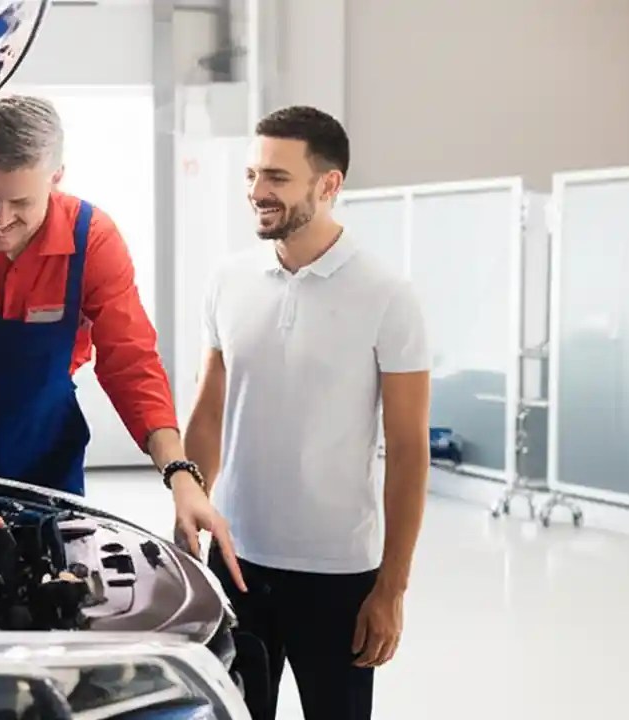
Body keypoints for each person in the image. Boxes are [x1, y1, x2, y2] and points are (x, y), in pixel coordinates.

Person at [0, 94, 245, 590]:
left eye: (20, 203)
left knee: (54, 599)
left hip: (50, 458)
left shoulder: (93, 238)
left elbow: (131, 362)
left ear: (57, 177)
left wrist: (181, 475)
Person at [184, 105, 431, 720]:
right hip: (235, 558)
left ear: (329, 185)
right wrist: (190, 503)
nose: (256, 193)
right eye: (250, 176)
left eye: (276, 177)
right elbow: (210, 407)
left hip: (339, 574)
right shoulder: (228, 279)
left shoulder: (387, 294)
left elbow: (407, 449)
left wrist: (392, 589)